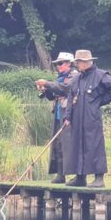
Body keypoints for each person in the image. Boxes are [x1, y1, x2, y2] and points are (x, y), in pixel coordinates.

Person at [63, 50, 111, 188]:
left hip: (92, 118)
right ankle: (80, 177)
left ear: (87, 62)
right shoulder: (76, 78)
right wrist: (67, 116)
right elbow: (71, 97)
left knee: (95, 145)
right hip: (77, 118)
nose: (77, 64)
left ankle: (99, 178)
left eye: (79, 62)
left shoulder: (100, 75)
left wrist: (100, 102)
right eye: (77, 61)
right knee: (77, 145)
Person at [36, 52, 78, 184]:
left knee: (70, 145)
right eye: (57, 64)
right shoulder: (60, 77)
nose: (58, 66)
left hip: (70, 116)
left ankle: (78, 176)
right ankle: (60, 175)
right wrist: (45, 89)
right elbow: (53, 96)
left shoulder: (75, 75)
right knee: (58, 145)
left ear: (69, 63)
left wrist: (47, 83)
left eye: (60, 63)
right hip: (58, 115)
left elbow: (65, 89)